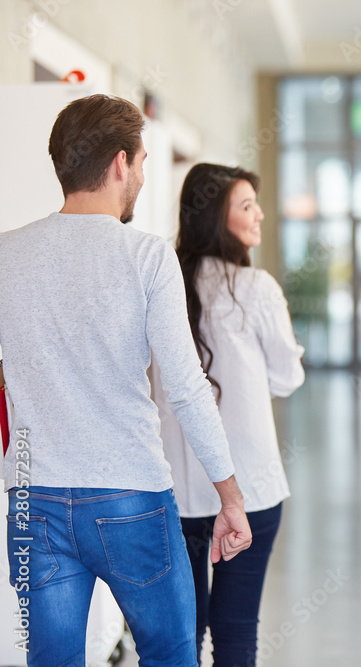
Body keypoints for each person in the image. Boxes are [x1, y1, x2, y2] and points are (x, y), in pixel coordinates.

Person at [0, 94, 252, 666]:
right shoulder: (146, 257)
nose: (140, 175)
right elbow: (187, 386)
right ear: (120, 163)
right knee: (169, 653)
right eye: (140, 162)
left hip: (33, 497)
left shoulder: (5, 255)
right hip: (130, 495)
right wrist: (230, 495)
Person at [151, 163, 305, 665]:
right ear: (217, 218)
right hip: (249, 487)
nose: (259, 214)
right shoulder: (254, 288)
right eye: (246, 206)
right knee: (237, 634)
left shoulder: (157, 283)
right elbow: (287, 377)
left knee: (179, 635)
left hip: (171, 490)